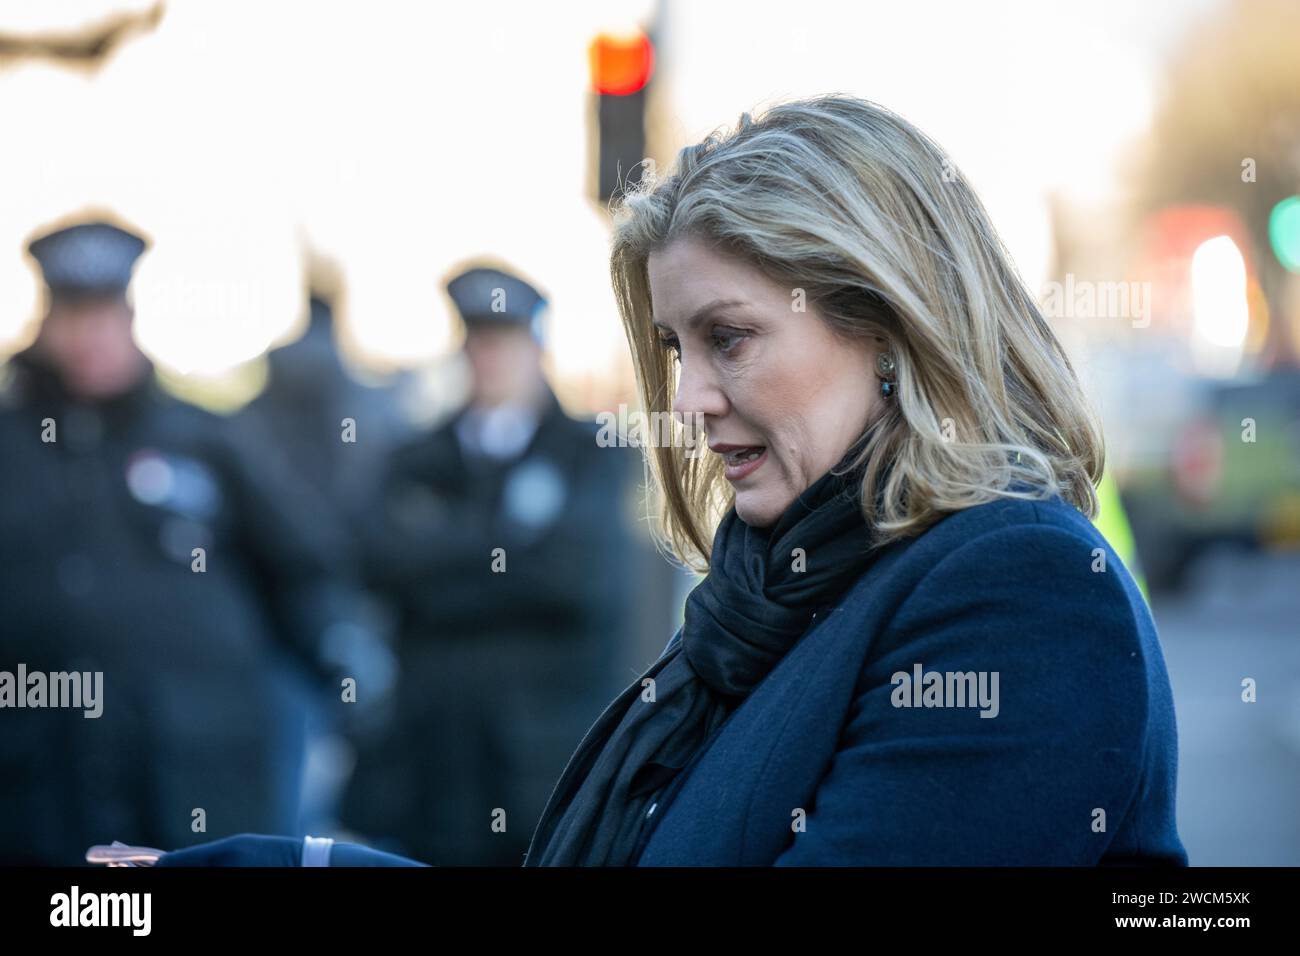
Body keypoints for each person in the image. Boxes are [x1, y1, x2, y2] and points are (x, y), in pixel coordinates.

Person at [154, 95, 1187, 866]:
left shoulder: (1018, 595)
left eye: (728, 338)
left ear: (887, 322)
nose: (686, 397)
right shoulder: (780, 594)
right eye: (672, 346)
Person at [0, 218, 350, 864]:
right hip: (41, 792)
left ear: (130, 317)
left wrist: (342, 665)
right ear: (46, 321)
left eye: (104, 314)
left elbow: (300, 571)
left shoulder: (204, 441)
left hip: (195, 784)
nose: (90, 336)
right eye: (73, 314)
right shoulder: (11, 448)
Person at [333, 264, 637, 865]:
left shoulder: (590, 453)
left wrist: (444, 561)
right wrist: (506, 545)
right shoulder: (416, 456)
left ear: (536, 347)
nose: (489, 359)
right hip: (432, 761)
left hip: (542, 757)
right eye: (478, 343)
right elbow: (378, 563)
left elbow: (573, 579)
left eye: (504, 343)